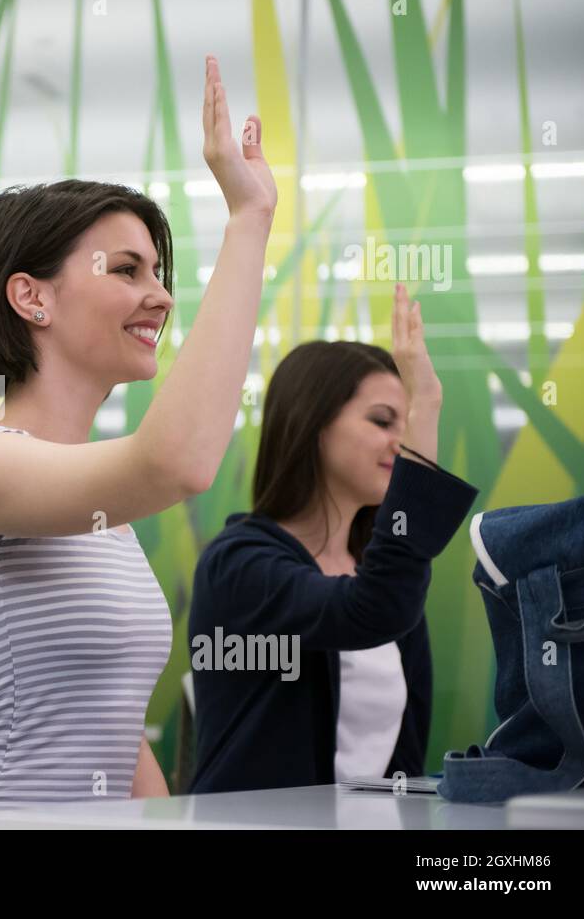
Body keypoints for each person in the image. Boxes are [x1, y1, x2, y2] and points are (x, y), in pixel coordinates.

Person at [0, 56, 278, 828]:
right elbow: (178, 460)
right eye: (128, 268)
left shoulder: (102, 513)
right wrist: (249, 220)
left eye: (161, 271)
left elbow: (115, 735)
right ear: (30, 296)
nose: (162, 294)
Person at [188, 284, 479, 792]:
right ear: (313, 426)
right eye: (383, 420)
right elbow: (373, 608)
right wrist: (426, 404)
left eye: (407, 423)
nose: (401, 440)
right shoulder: (238, 564)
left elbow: (406, 760)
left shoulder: (382, 568)